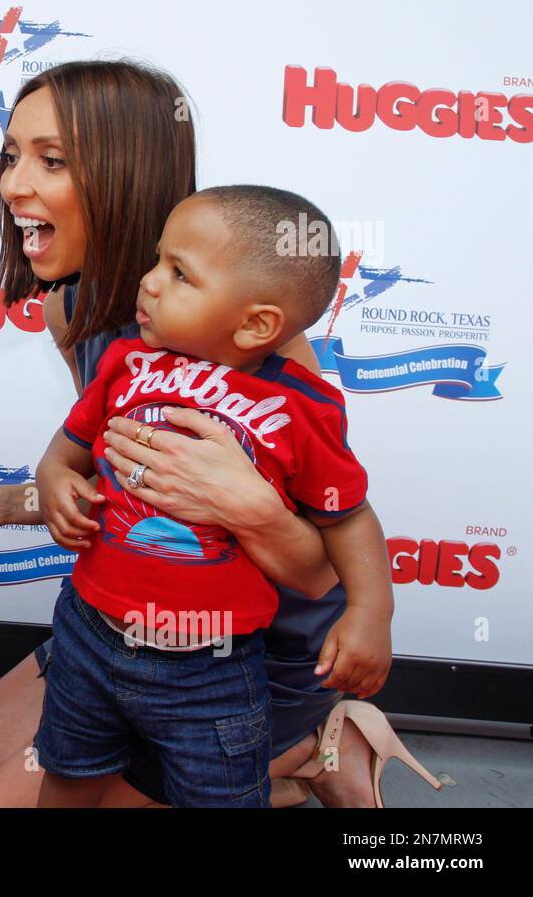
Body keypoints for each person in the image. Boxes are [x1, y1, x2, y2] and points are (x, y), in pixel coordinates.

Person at [0, 59, 426, 808]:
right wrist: (2, 505)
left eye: (51, 161)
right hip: (122, 631)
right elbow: (124, 477)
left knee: (0, 801)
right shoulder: (72, 313)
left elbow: (319, 573)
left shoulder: (256, 344)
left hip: (252, 656)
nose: (14, 185)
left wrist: (249, 508)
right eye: (10, 155)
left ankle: (312, 743)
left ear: (128, 176)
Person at [34, 185, 394, 806]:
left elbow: (349, 517)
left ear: (256, 323)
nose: (148, 283)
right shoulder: (124, 364)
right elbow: (67, 449)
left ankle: (315, 746)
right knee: (67, 771)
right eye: (156, 261)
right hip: (88, 633)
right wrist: (52, 482)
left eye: (178, 274)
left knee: (219, 795)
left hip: (211, 667)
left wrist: (370, 613)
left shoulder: (300, 406)